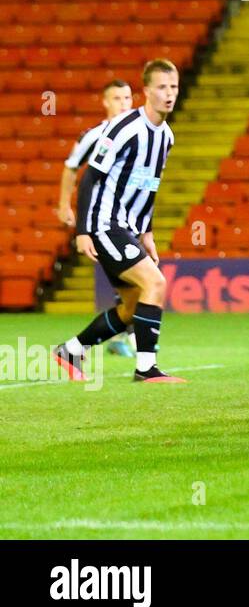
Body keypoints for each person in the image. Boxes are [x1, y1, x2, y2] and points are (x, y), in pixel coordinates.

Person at [53, 59, 182, 384]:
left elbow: (148, 185)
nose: (169, 94)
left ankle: (70, 350)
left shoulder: (166, 136)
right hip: (104, 224)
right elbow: (88, 178)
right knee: (155, 284)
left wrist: (147, 232)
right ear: (146, 91)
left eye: (174, 87)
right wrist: (83, 232)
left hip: (126, 227)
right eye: (162, 88)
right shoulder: (125, 128)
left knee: (130, 307)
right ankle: (146, 369)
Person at [57, 78, 136, 358]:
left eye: (128, 98)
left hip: (128, 219)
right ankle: (136, 344)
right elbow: (70, 168)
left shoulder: (137, 134)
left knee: (131, 282)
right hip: (103, 221)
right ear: (105, 102)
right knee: (134, 281)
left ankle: (117, 339)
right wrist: (64, 204)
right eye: (117, 98)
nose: (124, 104)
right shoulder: (95, 136)